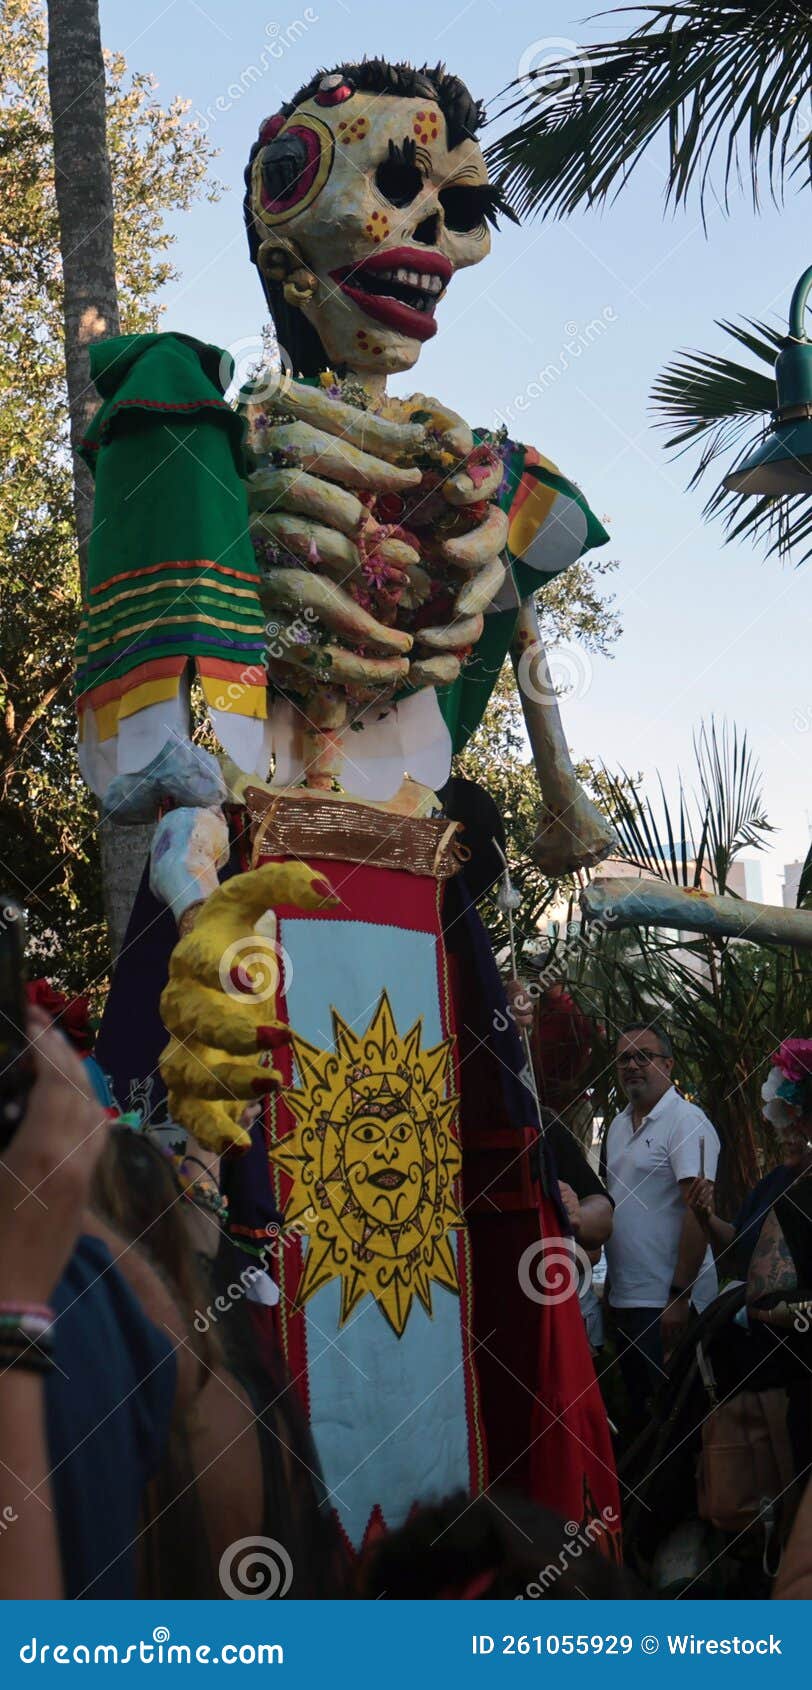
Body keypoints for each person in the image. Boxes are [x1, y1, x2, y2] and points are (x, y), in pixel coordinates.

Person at [603, 1023, 720, 1413]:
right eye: (624, 1058)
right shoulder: (618, 1126)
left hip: (670, 1306)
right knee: (643, 1418)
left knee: (683, 1423)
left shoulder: (685, 1120)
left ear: (668, 1065)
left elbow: (697, 1210)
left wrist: (679, 1296)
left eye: (643, 1056)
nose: (632, 1065)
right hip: (627, 1302)